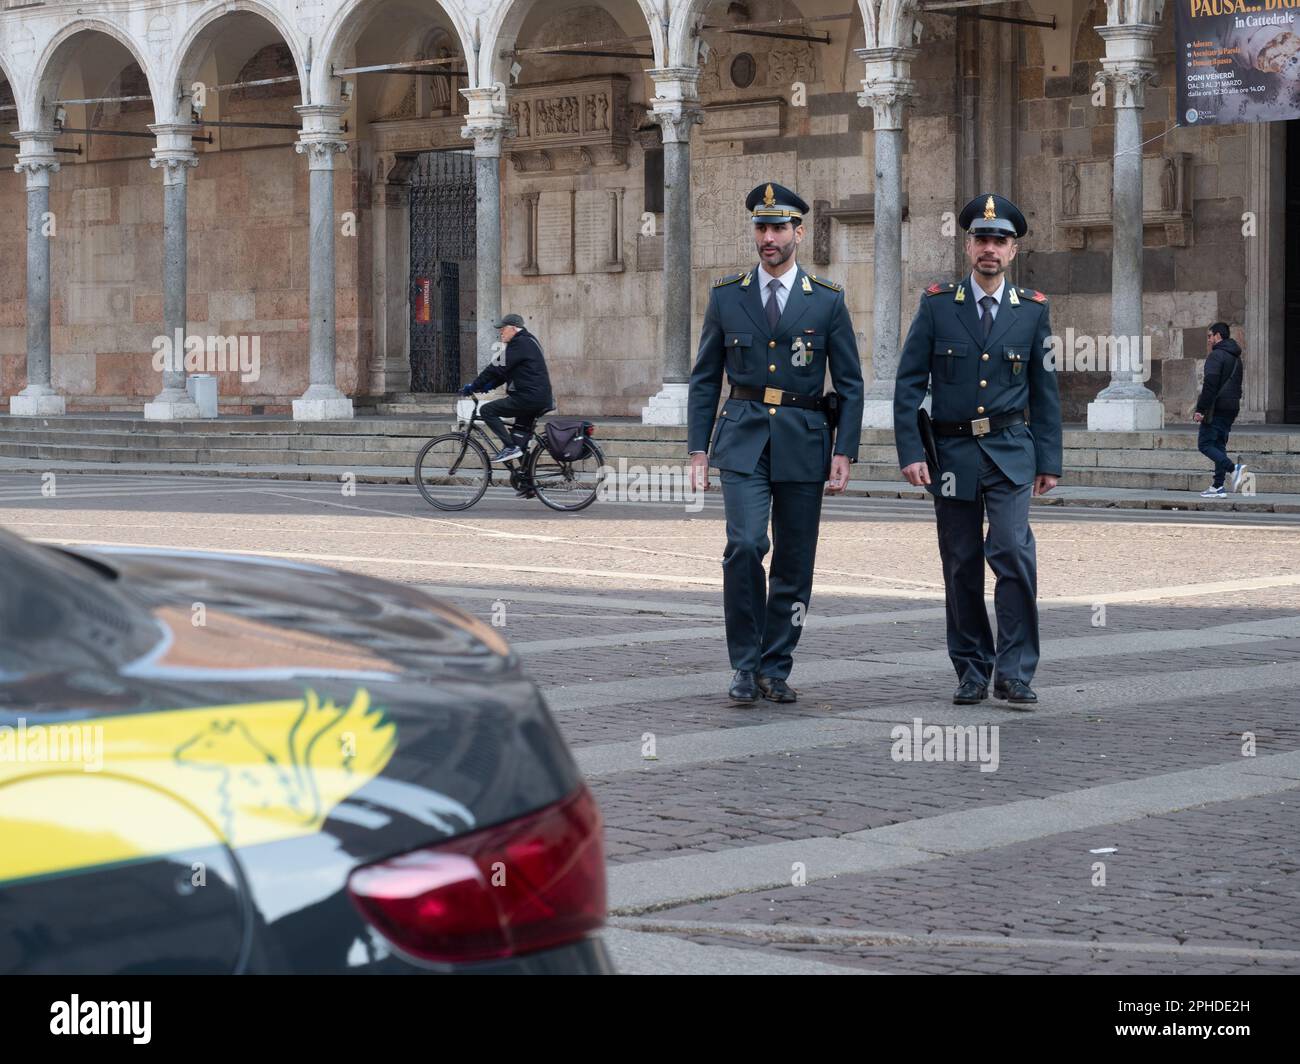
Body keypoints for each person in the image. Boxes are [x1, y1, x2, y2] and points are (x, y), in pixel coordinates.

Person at [687, 182, 864, 705]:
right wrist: (698, 448)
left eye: (779, 228)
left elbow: (850, 384)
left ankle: (775, 664)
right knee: (744, 546)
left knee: (794, 560)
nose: (769, 237)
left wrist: (844, 451)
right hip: (741, 439)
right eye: (762, 228)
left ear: (798, 233)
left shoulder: (827, 303)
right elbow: (704, 379)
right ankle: (744, 664)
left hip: (804, 441)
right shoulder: (727, 296)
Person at [892, 194, 1062, 708]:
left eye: (1000, 241)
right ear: (968, 246)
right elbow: (907, 383)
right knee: (961, 562)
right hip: (953, 455)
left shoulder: (1033, 310)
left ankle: (1014, 672)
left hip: (1011, 451)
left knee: (1011, 552)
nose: (990, 249)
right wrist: (910, 451)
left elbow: (1044, 388)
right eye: (981, 239)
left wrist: (1049, 460)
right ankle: (971, 669)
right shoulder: (938, 304)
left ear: (1013, 251)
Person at [460, 313, 555, 466]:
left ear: (513, 329)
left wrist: (473, 386)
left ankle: (509, 448)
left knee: (487, 411)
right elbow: (504, 373)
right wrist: (488, 386)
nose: (501, 332)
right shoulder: (528, 341)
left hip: (528, 399)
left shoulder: (520, 343)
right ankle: (528, 485)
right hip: (536, 398)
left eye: (503, 328)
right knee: (520, 442)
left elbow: (496, 367)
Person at [1193, 322, 1246, 498]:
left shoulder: (1216, 356)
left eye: (1210, 336)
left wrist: (1200, 409)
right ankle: (1218, 486)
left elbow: (1210, 385)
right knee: (1219, 445)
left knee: (1205, 444)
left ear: (1218, 336)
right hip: (1231, 407)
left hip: (1217, 407)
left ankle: (1234, 468)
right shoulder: (1236, 357)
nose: (1208, 340)